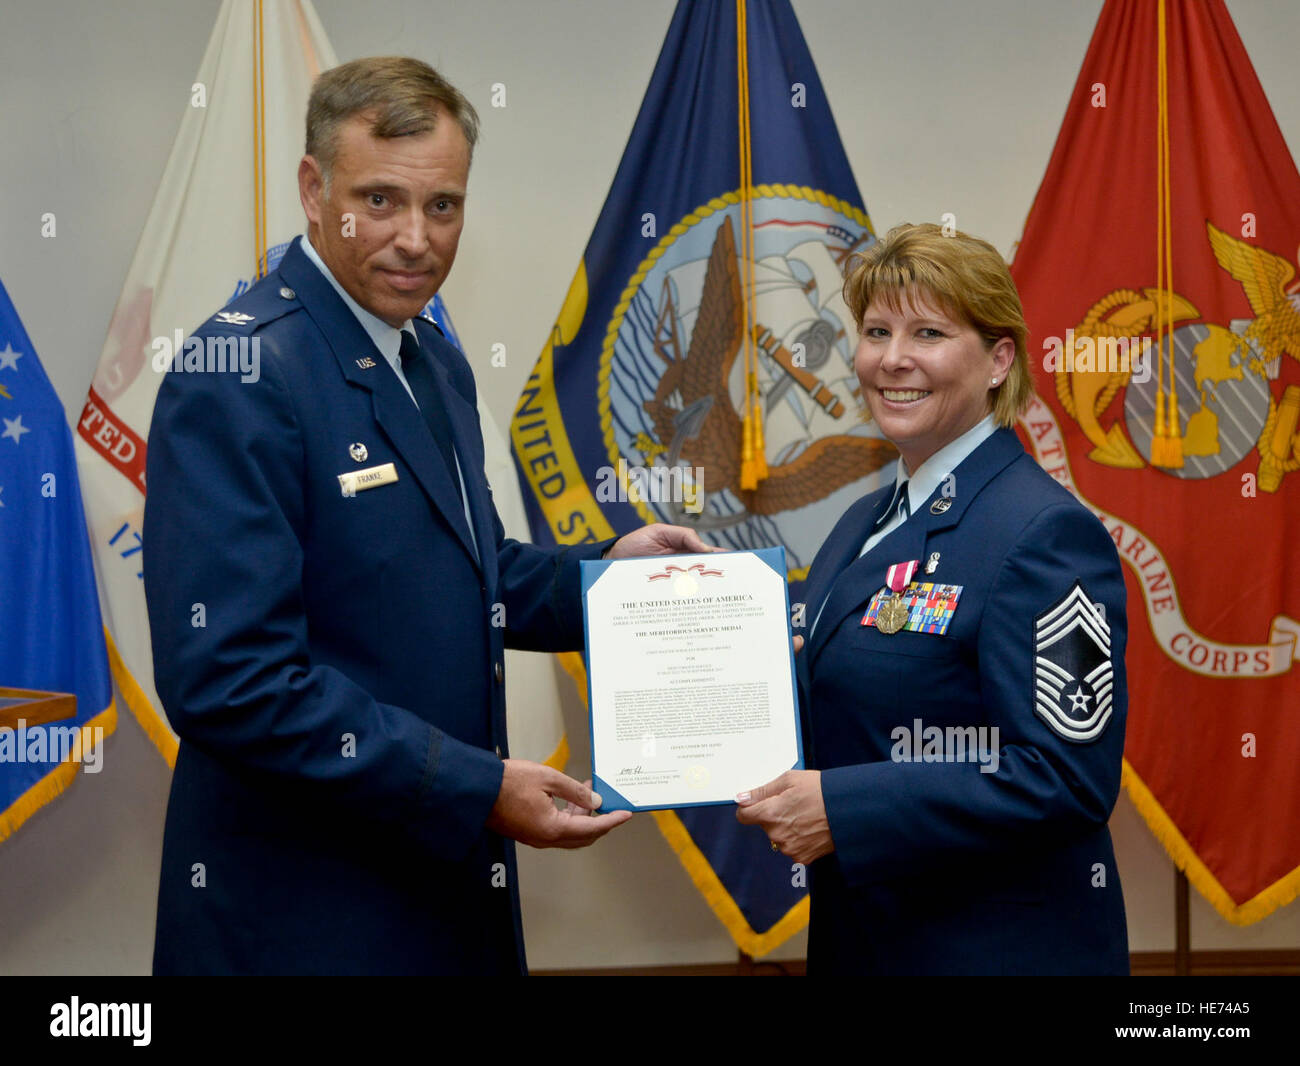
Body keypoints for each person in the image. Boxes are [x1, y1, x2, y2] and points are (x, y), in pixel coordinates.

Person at [143, 56, 709, 975]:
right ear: (312, 189)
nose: (415, 238)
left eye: (442, 206)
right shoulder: (242, 375)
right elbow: (230, 680)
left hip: (441, 896)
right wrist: (477, 787)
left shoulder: (430, 359)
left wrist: (613, 578)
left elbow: (472, 569)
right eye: (380, 200)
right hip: (308, 916)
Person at [737, 223, 1129, 975]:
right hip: (872, 938)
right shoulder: (864, 519)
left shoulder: (1046, 534)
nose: (892, 359)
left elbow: (1066, 779)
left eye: (928, 333)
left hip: (990, 953)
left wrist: (843, 811)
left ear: (998, 359)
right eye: (876, 331)